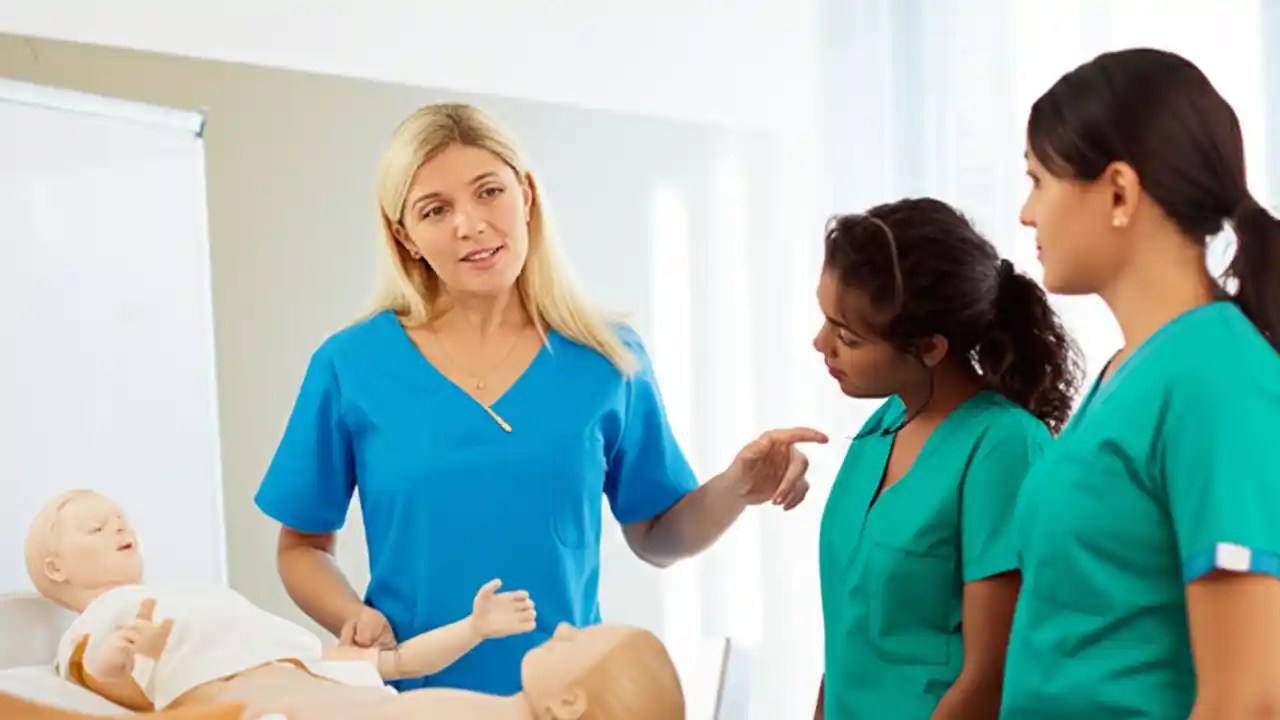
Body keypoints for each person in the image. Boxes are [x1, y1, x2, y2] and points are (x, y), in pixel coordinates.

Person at [253, 102, 827, 696]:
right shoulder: (351, 366)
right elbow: (301, 546)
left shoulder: (607, 358)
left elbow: (658, 536)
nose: (469, 225)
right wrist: (350, 615)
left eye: (488, 192)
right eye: (435, 210)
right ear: (406, 235)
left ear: (526, 194)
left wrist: (737, 486)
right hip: (413, 704)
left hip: (566, 701)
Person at [1002, 48, 1280, 719]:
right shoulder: (1131, 373)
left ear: (1120, 191)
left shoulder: (1217, 378)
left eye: (1038, 180)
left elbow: (1248, 698)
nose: (1025, 213)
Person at [22, 489, 686, 720]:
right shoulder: (110, 617)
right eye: (93, 526)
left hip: (327, 686)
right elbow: (96, 676)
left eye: (118, 518)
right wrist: (113, 660)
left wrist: (472, 628)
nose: (117, 527)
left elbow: (395, 663)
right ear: (55, 567)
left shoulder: (219, 610)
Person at [811, 198, 1084, 719]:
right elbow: (850, 642)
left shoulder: (1004, 448)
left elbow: (990, 678)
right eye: (825, 321)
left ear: (931, 347)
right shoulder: (883, 426)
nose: (821, 343)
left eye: (846, 336)